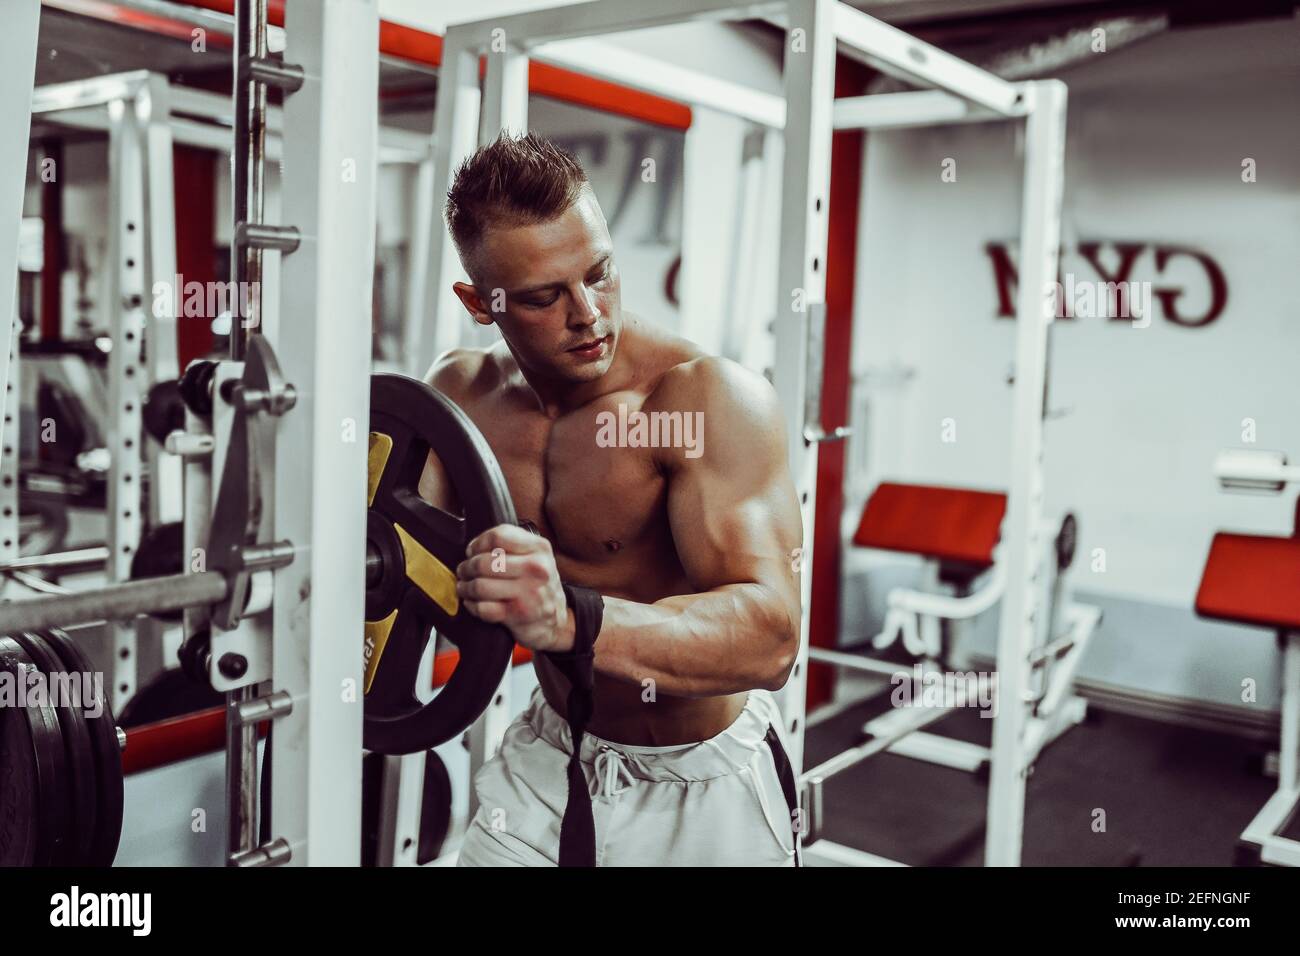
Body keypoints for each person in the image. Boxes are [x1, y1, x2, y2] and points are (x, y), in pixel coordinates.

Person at [424, 132, 803, 866]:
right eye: (543, 297)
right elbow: (386, 565)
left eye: (600, 274)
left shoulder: (704, 398)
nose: (589, 314)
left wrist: (573, 618)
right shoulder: (463, 397)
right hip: (551, 753)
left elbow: (772, 635)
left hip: (705, 780)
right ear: (480, 302)